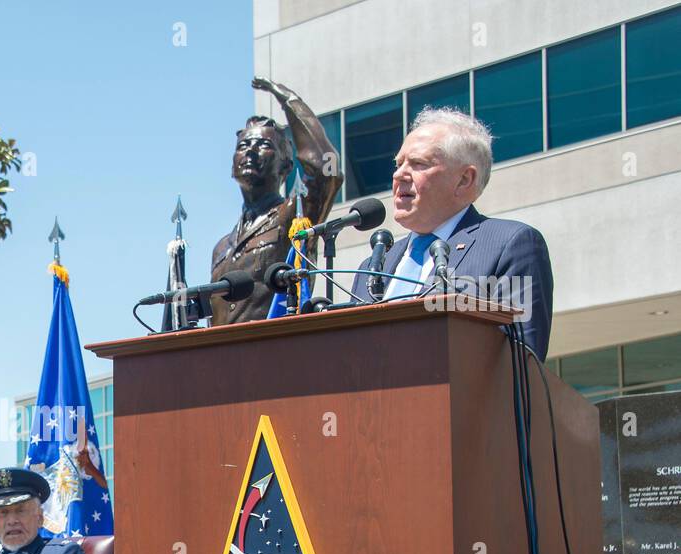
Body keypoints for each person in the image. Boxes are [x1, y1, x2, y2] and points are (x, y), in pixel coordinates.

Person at [350, 107, 555, 360]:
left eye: (418, 164)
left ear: (464, 180)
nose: (399, 174)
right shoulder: (369, 269)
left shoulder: (511, 245)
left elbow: (522, 363)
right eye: (399, 163)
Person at [209, 77, 342, 324]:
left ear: (287, 164)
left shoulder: (292, 217)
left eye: (262, 145)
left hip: (276, 352)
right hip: (224, 358)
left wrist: (286, 98)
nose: (249, 151)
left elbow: (327, 170)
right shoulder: (221, 248)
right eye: (244, 145)